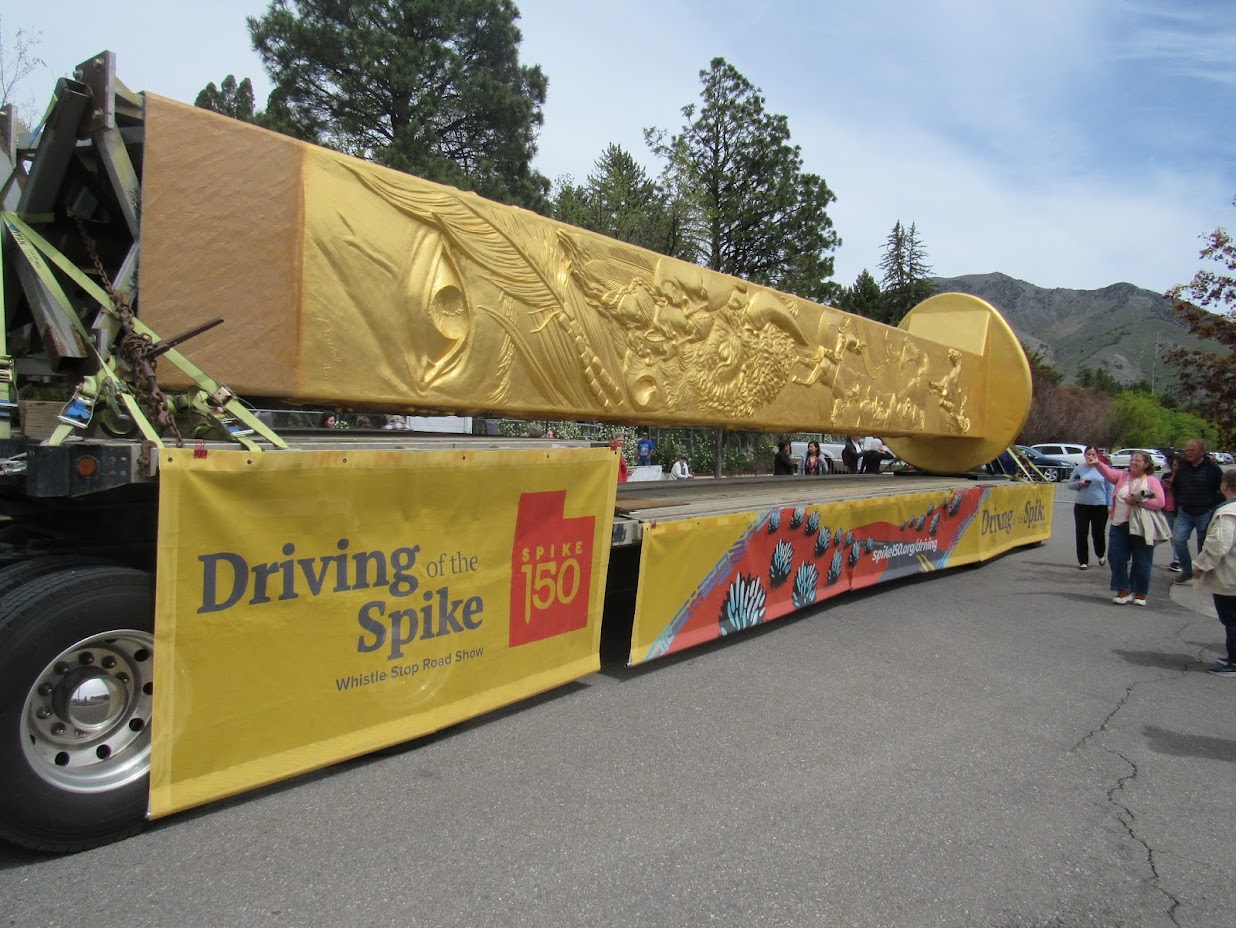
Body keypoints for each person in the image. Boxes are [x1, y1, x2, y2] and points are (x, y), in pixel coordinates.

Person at [1093, 450, 1166, 606]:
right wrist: (1098, 463)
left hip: (1141, 526)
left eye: (1137, 460)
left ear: (1146, 464)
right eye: (1132, 460)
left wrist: (1138, 502)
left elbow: (1160, 502)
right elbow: (1109, 474)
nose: (1133, 463)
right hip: (1119, 523)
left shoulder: (1152, 481)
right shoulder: (1122, 477)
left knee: (1142, 559)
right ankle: (1123, 589)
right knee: (1116, 557)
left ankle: (1140, 592)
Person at [1192, 468, 1236, 676]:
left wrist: (1200, 566)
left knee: (1232, 619)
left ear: (1224, 485)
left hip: (1231, 575)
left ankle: (1234, 662)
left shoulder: (1228, 513)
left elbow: (1219, 545)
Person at [1169, 439, 1223, 585]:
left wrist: (1213, 506)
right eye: (1186, 450)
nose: (1188, 453)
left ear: (1201, 452)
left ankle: (1202, 571)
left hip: (1205, 511)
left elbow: (1222, 489)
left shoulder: (1212, 469)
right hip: (1185, 511)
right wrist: (1179, 502)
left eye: (1192, 450)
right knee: (1178, 539)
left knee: (1204, 544)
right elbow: (1175, 486)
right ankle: (1187, 570)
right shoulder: (1183, 469)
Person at [1067, 446, 1114, 570]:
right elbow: (1070, 484)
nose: (1091, 457)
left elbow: (1110, 488)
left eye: (1093, 455)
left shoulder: (1103, 469)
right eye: (1088, 454)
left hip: (1100, 505)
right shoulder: (1079, 469)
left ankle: (1100, 554)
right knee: (1081, 532)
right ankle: (1083, 561)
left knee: (1098, 533)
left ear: (1097, 456)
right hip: (1082, 505)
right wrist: (1079, 484)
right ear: (1084, 455)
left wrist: (1110, 505)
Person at [1161, 454, 1181, 571]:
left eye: (1178, 465)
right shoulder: (1167, 476)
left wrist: (1172, 487)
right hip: (1167, 507)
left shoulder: (1183, 477)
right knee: (1172, 535)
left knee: (1178, 536)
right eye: (1174, 465)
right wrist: (1165, 486)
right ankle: (1177, 558)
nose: (1175, 467)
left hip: (1178, 509)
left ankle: (1178, 560)